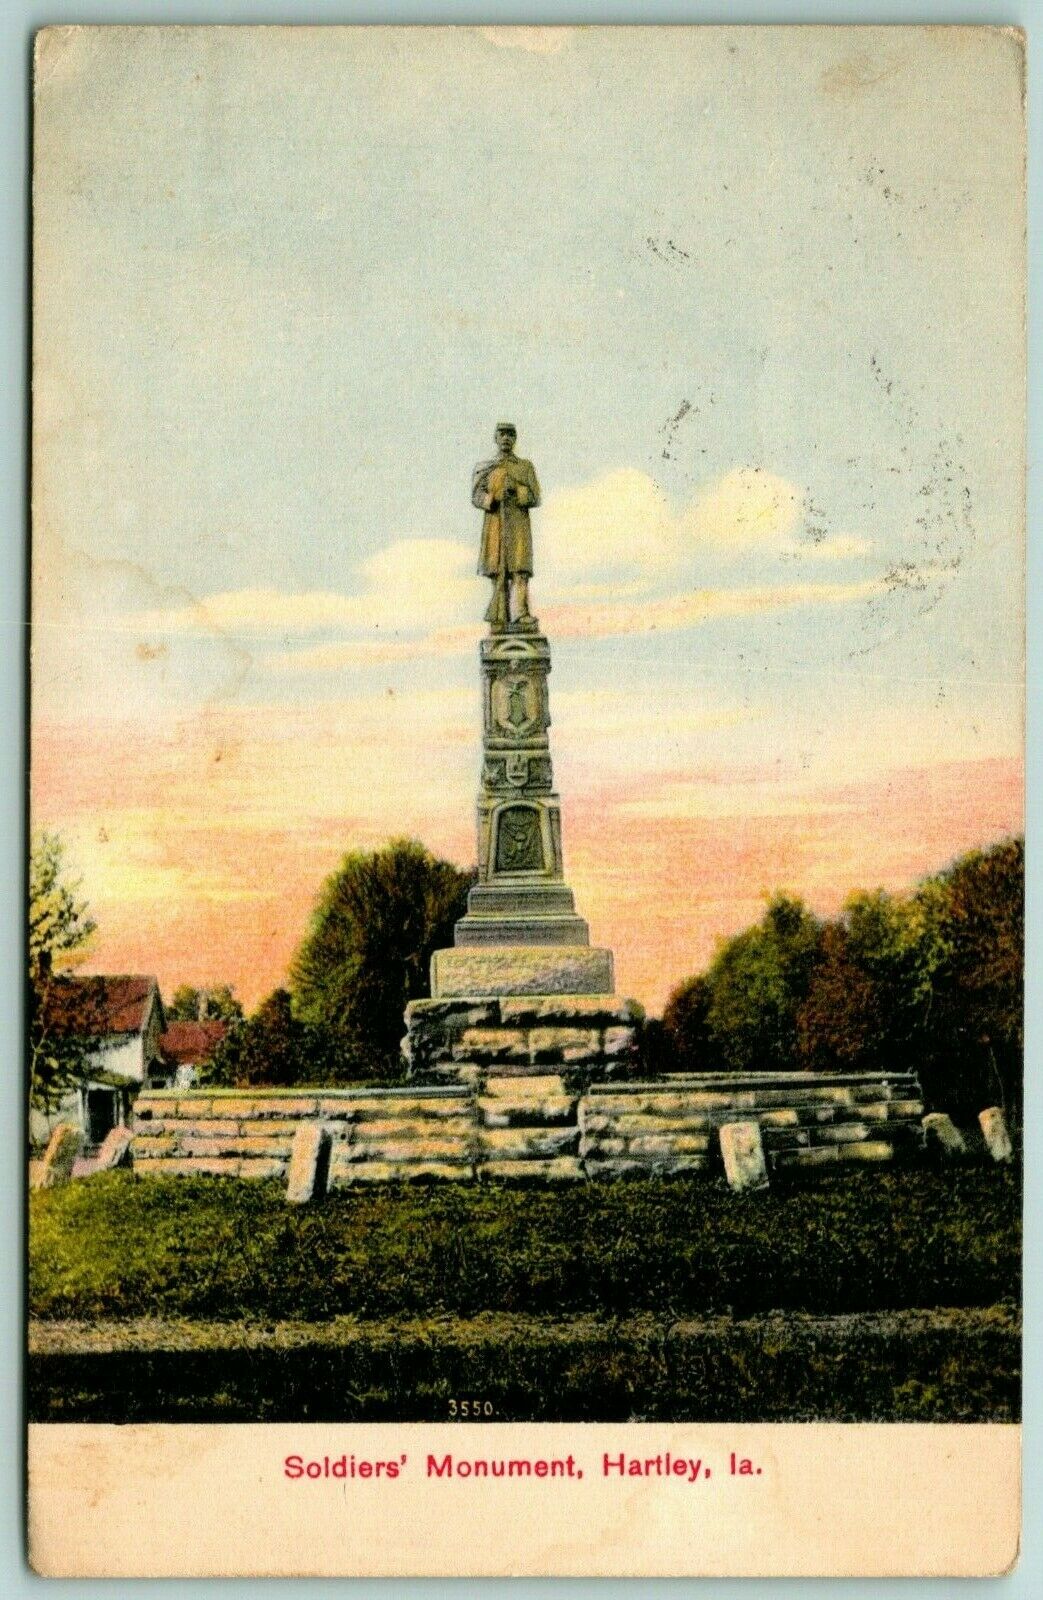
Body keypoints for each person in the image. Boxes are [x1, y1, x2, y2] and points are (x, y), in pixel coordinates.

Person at [472, 423, 541, 629]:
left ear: (515, 439)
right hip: (496, 526)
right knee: (497, 571)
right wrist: (491, 498)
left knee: (520, 571)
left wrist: (517, 490)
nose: (506, 439)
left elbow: (535, 496)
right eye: (502, 434)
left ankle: (521, 613)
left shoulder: (525, 467)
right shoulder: (484, 467)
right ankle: (500, 617)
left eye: (510, 435)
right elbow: (476, 496)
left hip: (518, 526)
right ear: (495, 438)